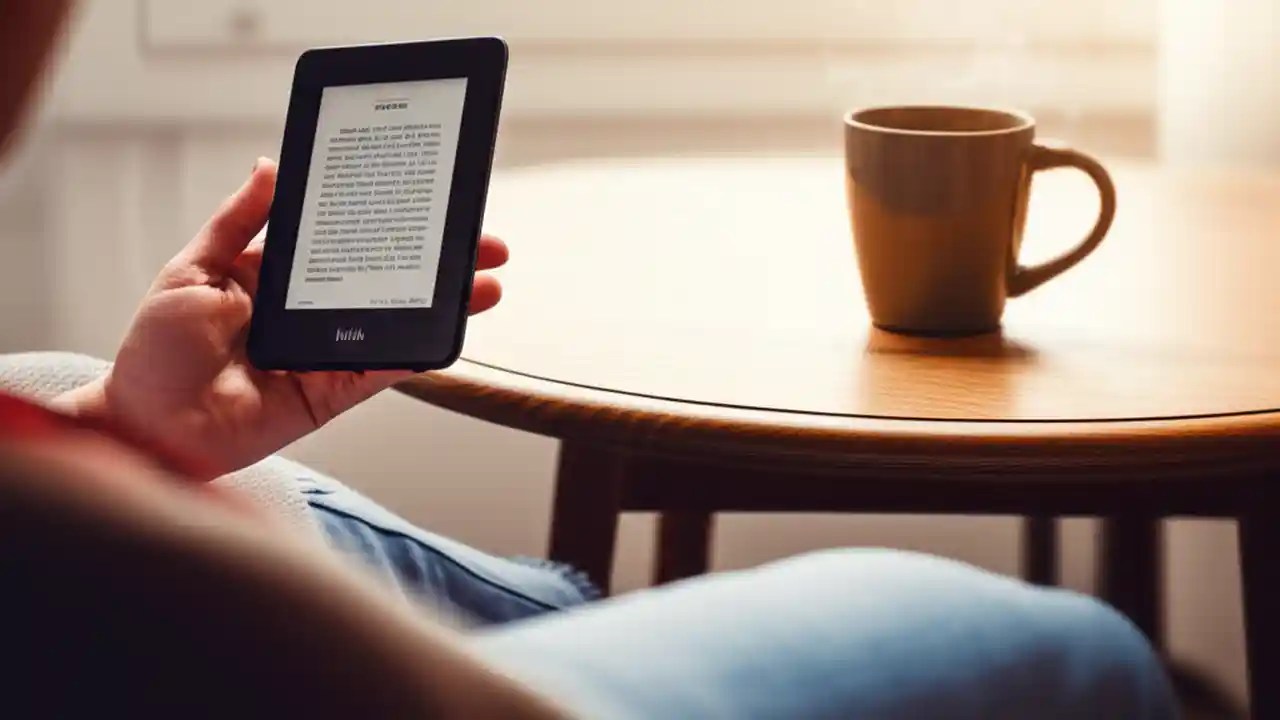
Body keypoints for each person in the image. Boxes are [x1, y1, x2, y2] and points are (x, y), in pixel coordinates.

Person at [0, 2, 1179, 717]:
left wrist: (125, 428)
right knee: (1085, 649)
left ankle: (573, 616)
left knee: (551, 596)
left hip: (117, 501)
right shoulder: (79, 548)